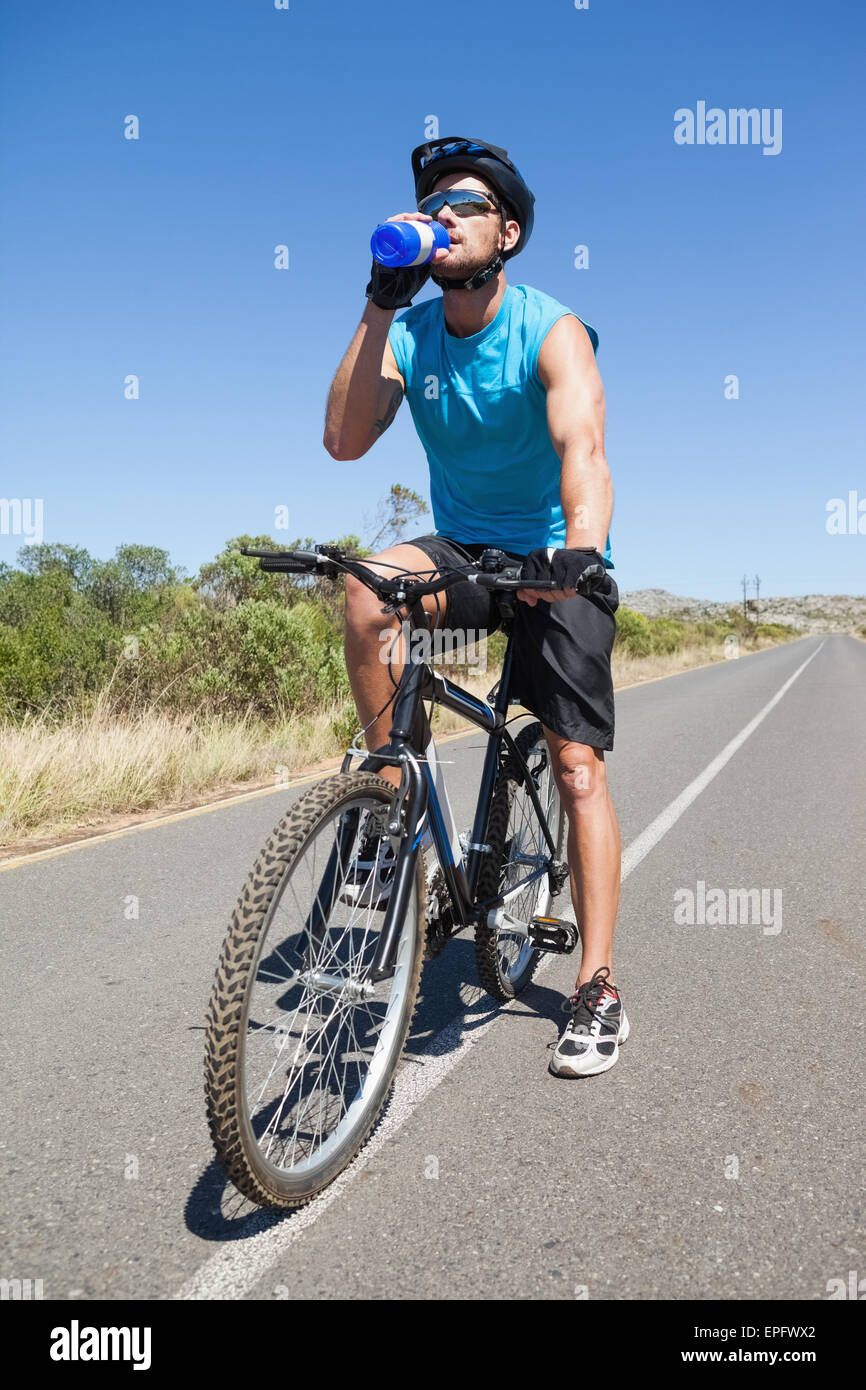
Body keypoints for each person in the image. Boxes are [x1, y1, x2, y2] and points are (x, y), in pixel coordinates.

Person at [323, 136, 629, 1077]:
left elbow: (584, 449)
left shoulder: (551, 327)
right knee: (366, 585)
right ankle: (386, 800)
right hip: (461, 547)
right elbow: (342, 442)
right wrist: (379, 304)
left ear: (510, 232)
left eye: (465, 203)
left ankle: (598, 984)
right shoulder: (410, 331)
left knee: (576, 768)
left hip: (548, 552)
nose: (443, 215)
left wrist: (577, 558)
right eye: (433, 205)